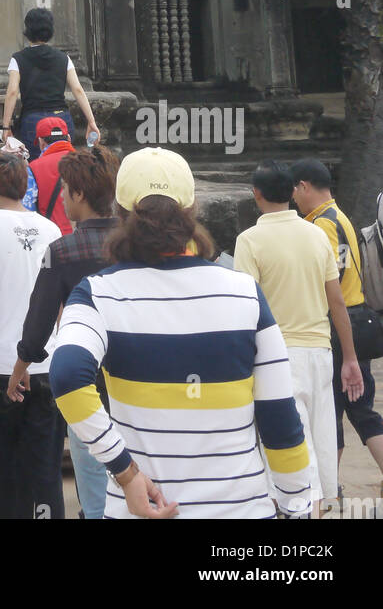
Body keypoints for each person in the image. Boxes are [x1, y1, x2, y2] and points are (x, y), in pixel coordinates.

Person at [49, 147, 313, 519]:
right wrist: (295, 506)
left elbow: (66, 378)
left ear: (120, 212)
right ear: (191, 210)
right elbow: (281, 420)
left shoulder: (96, 294)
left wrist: (125, 473)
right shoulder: (245, 294)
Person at [233, 161, 363, 512]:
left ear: (256, 194)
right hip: (320, 353)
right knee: (321, 442)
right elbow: (337, 302)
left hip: (275, 358)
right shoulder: (317, 235)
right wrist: (349, 358)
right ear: (292, 191)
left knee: (289, 451)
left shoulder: (249, 240)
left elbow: (246, 308)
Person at [8, 144, 121, 519]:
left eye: (67, 189)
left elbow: (39, 320)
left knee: (92, 470)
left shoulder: (62, 251)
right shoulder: (137, 245)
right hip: (137, 376)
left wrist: (20, 366)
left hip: (84, 378)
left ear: (79, 195)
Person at [0, 151, 64, 519]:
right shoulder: (51, 229)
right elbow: (58, 301)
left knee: (1, 462)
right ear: (26, 186)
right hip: (45, 361)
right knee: (45, 465)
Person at [291, 158, 383, 489]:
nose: (293, 198)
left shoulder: (322, 225)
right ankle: (332, 486)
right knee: (358, 408)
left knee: (332, 409)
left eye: (294, 189)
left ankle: (329, 487)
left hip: (339, 324)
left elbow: (332, 275)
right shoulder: (339, 216)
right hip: (358, 319)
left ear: (303, 186)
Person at [1, 7, 99, 157]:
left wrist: (6, 126)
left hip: (33, 120)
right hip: (61, 118)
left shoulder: (18, 58)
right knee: (63, 166)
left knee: (35, 166)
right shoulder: (63, 58)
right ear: (50, 30)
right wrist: (91, 121)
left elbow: (13, 92)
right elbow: (78, 89)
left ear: (28, 30)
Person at [28, 116, 76, 232]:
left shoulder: (33, 168)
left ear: (41, 142)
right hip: (83, 238)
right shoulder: (88, 161)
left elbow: (28, 211)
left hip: (50, 238)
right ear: (68, 138)